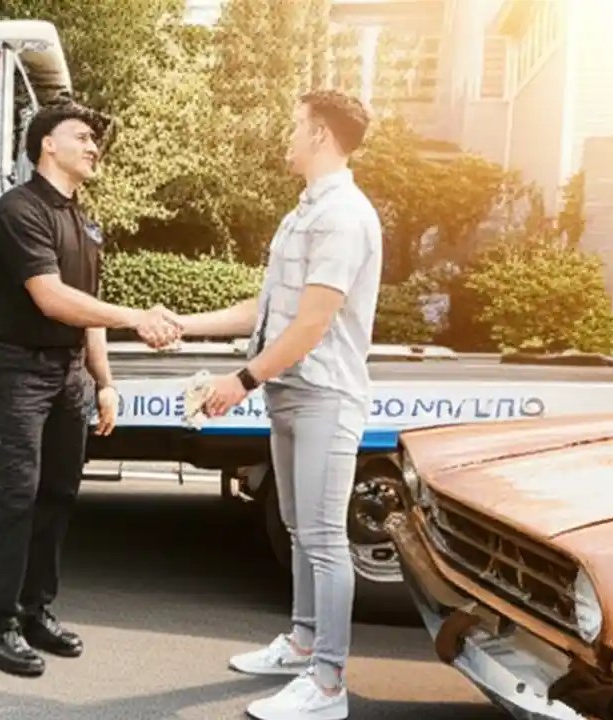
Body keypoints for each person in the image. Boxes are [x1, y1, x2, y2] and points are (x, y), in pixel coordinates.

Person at [175, 89, 381, 720]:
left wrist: (241, 381)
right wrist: (183, 323)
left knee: (323, 538)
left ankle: (327, 685)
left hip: (324, 394)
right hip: (292, 392)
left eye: (294, 126)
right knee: (298, 529)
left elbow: (314, 323)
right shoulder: (302, 214)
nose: (285, 137)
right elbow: (264, 312)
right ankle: (301, 643)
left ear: (321, 134)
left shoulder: (344, 214)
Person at [0, 98, 181, 678]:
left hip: (69, 375)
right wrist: (137, 316)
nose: (94, 147)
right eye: (82, 136)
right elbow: (51, 298)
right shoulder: (17, 211)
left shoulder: (84, 221)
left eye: (96, 140)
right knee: (14, 498)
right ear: (47, 144)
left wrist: (105, 382)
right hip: (18, 371)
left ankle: (35, 610)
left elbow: (84, 312)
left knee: (58, 495)